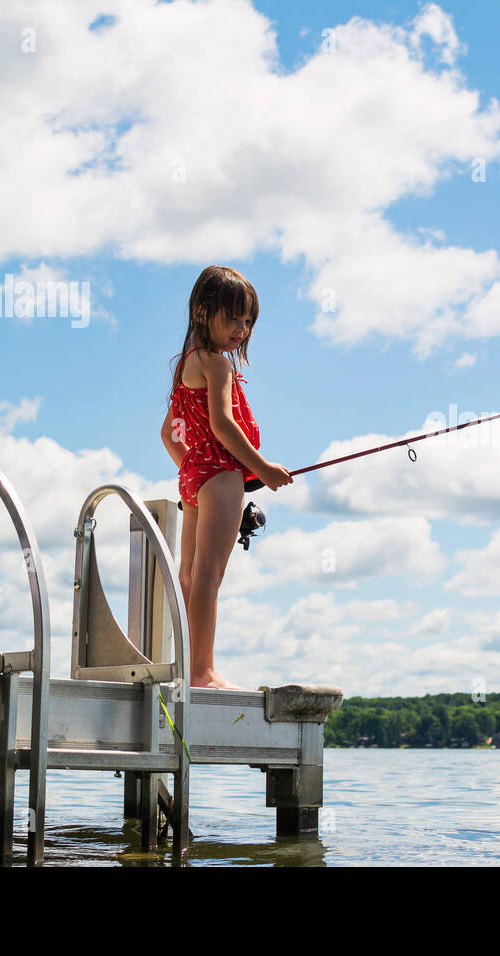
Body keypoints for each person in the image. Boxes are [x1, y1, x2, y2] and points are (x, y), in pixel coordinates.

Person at [160, 265, 293, 689]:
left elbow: (168, 434)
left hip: (194, 477)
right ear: (202, 312)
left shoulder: (185, 366)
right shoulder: (217, 366)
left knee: (189, 574)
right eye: (233, 317)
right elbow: (222, 424)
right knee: (209, 574)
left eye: (248, 320)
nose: (242, 328)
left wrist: (191, 469)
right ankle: (203, 672)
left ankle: (188, 668)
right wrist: (262, 468)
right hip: (219, 477)